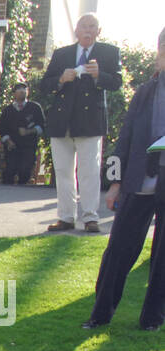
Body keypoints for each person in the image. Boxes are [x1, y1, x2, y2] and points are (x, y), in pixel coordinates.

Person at [83, 27, 165, 332]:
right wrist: (115, 182)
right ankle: (100, 314)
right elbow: (125, 139)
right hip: (139, 180)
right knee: (118, 249)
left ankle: (152, 319)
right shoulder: (144, 93)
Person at [40, 13, 121, 233]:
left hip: (90, 121)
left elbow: (117, 82)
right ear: (76, 30)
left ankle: (90, 218)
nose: (88, 30)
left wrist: (99, 76)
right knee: (63, 171)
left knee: (89, 171)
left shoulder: (109, 52)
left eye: (92, 26)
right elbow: (44, 85)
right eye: (84, 26)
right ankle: (66, 217)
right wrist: (60, 79)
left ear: (99, 31)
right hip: (62, 121)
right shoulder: (62, 54)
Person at [0, 82, 44, 185]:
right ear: (14, 93)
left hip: (29, 146)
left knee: (25, 170)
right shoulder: (7, 111)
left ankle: (21, 193)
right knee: (10, 171)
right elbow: (2, 129)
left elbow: (42, 126)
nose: (22, 91)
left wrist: (29, 131)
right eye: (19, 89)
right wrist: (8, 141)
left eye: (24, 89)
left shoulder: (35, 108)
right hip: (12, 146)